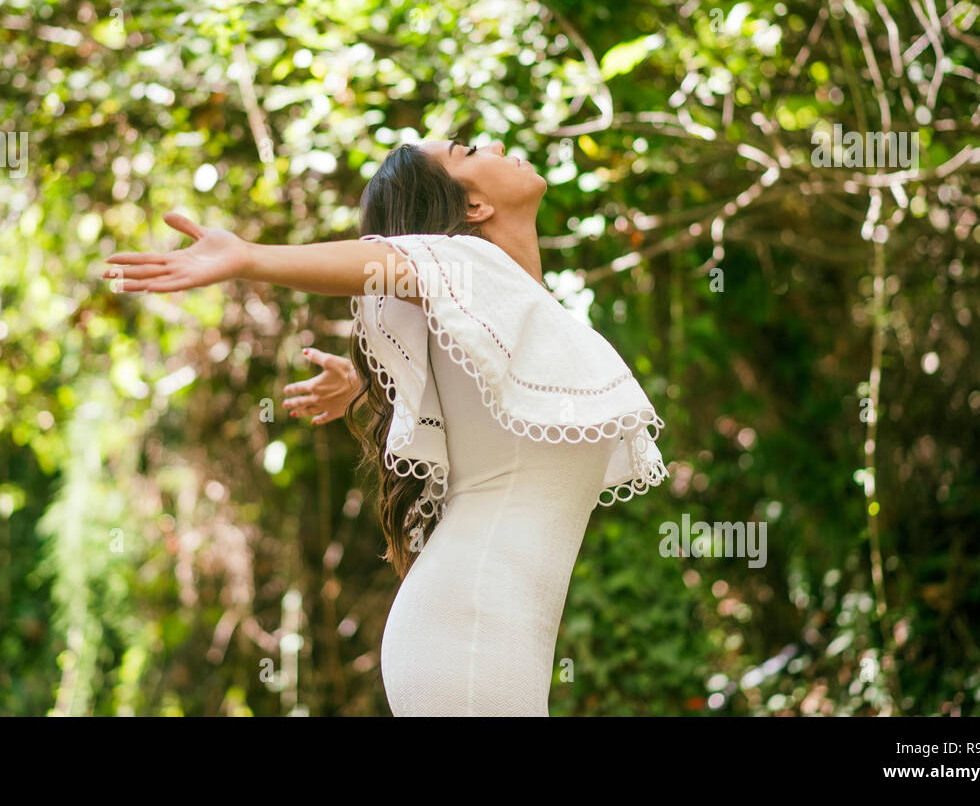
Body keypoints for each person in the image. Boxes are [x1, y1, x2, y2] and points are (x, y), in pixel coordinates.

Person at [103, 138, 668, 715]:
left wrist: (368, 378)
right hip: (471, 631)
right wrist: (249, 257)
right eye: (469, 150)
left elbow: (473, 358)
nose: (496, 144)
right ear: (472, 206)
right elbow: (382, 264)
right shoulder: (467, 261)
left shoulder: (508, 308)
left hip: (479, 629)